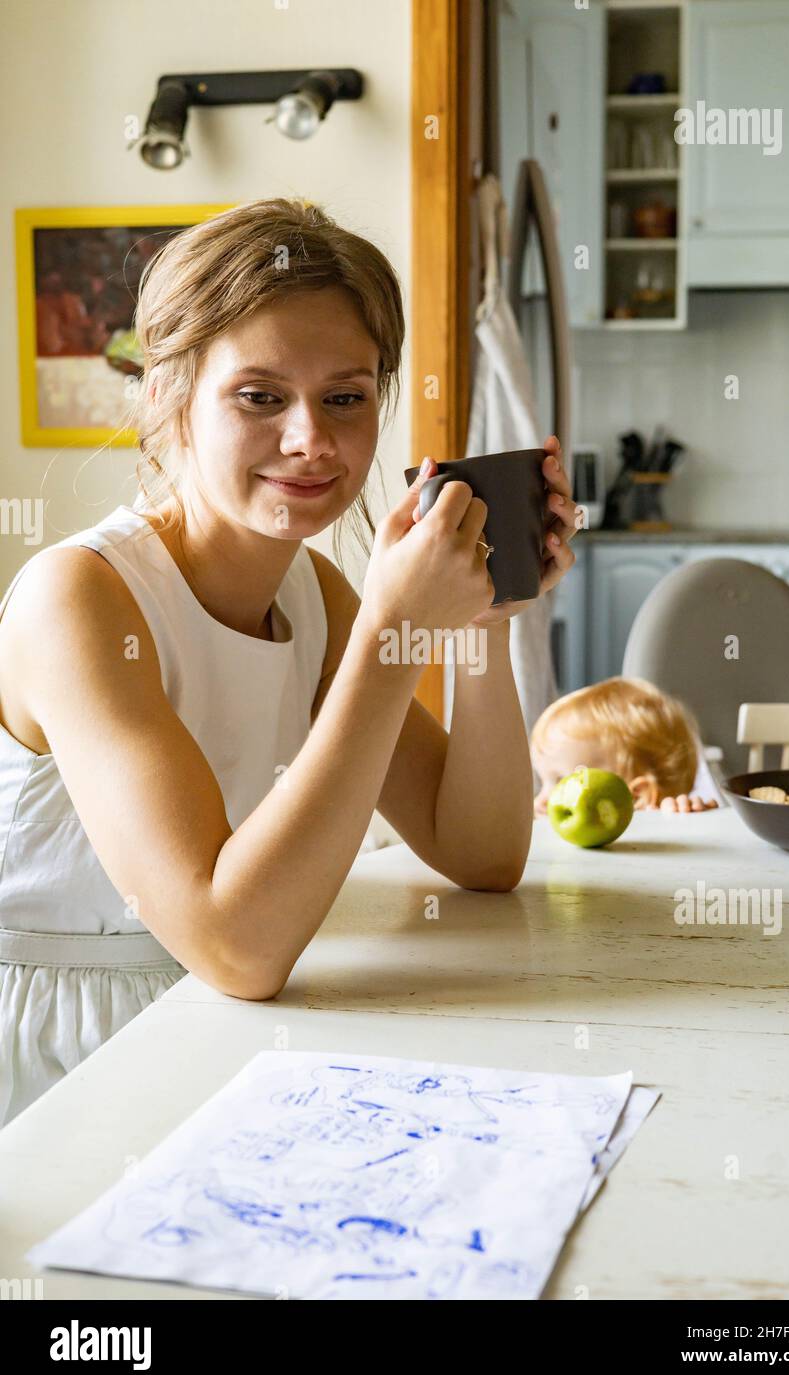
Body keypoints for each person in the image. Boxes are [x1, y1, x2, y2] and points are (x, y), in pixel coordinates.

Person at [0, 196, 582, 1128]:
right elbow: (234, 945)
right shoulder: (79, 598)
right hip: (68, 1069)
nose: (311, 440)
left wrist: (482, 618)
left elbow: (478, 852)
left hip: (225, 1038)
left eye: (345, 398)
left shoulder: (314, 596)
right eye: (260, 396)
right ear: (165, 396)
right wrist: (394, 630)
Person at [531, 676, 719, 817]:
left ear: (637, 798)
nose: (541, 801)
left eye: (562, 782)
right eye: (544, 781)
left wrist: (688, 817)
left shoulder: (671, 822)